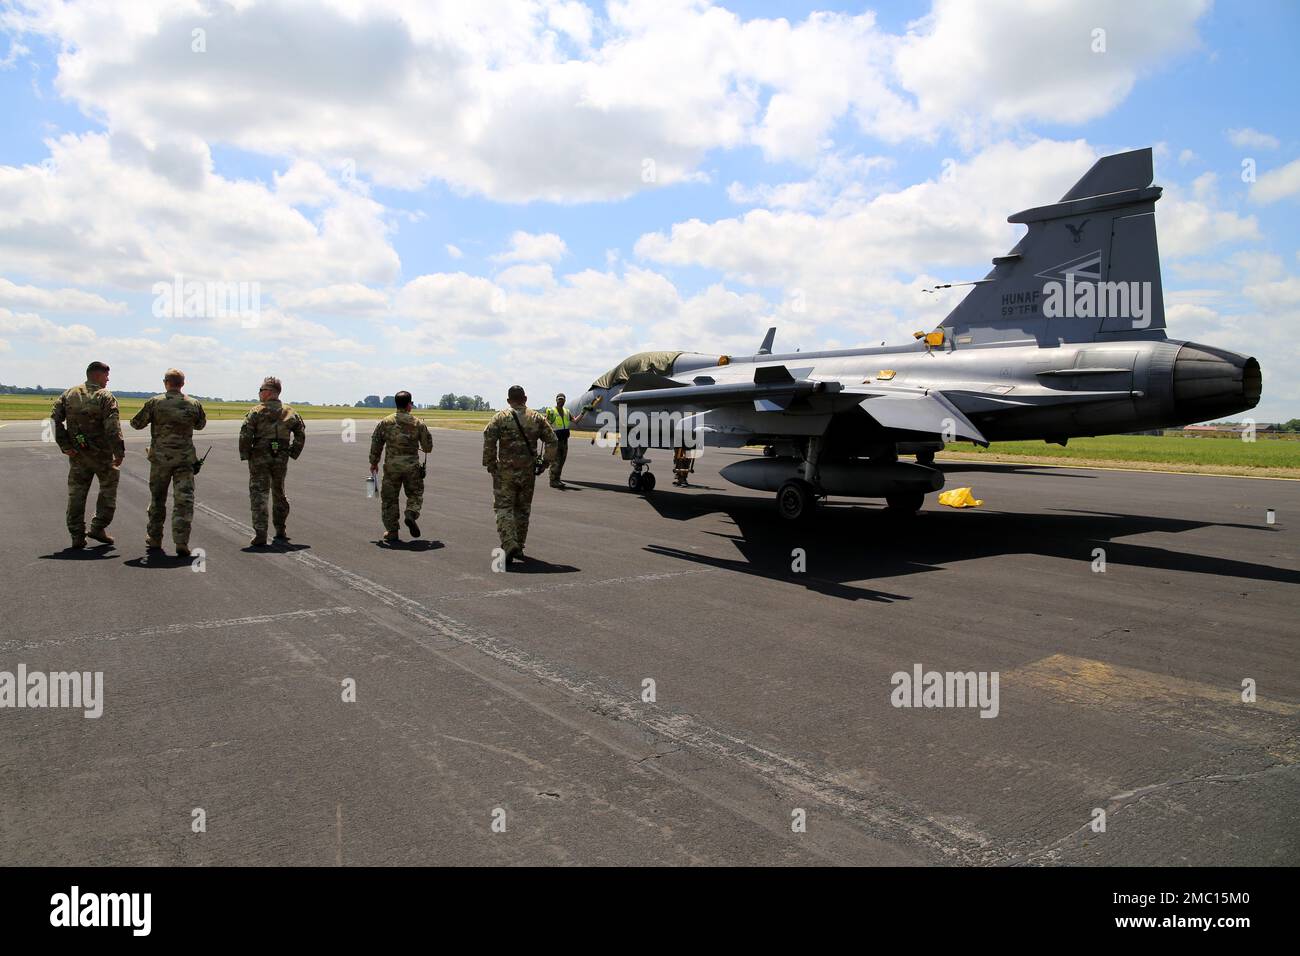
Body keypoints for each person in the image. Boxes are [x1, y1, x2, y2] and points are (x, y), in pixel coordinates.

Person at [130, 368, 206, 556]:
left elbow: (136, 423)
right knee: (184, 501)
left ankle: (155, 538)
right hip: (184, 460)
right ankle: (181, 541)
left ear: (166, 382)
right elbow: (200, 425)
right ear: (182, 384)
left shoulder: (155, 402)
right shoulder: (193, 403)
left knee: (157, 500)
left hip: (160, 460)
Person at [51, 361, 125, 548]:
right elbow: (112, 427)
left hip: (78, 454)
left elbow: (55, 420)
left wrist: (65, 445)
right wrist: (119, 451)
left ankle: (77, 535)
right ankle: (98, 526)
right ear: (98, 375)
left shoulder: (69, 394)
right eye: (106, 375)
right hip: (102, 455)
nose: (108, 379)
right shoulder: (105, 396)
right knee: (108, 491)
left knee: (77, 495)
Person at [482, 385, 556, 565]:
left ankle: (509, 543)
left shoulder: (500, 417)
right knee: (523, 510)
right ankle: (519, 546)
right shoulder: (536, 418)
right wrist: (545, 462)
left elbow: (489, 438)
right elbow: (552, 440)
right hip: (527, 472)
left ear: (509, 401)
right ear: (525, 398)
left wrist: (491, 464)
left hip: (505, 472)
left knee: (503, 508)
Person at [239, 376, 307, 547]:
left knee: (259, 493)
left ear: (269, 392)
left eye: (261, 390)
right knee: (278, 491)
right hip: (280, 456)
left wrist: (246, 454)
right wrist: (293, 452)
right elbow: (300, 433)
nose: (260, 393)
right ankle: (280, 529)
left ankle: (260, 533)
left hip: (260, 457)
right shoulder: (290, 412)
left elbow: (245, 434)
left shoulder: (256, 411)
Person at [368, 391, 432, 543]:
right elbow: (428, 447)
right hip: (412, 468)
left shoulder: (385, 422)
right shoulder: (418, 423)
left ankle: (392, 532)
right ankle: (411, 513)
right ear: (409, 405)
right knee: (415, 494)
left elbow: (376, 443)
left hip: (391, 468)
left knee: (389, 499)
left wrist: (374, 462)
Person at [542, 393, 576, 488]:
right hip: (555, 440)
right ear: (556, 400)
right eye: (559, 399)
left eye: (562, 399)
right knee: (555, 461)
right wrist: (549, 420)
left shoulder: (567, 411)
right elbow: (545, 423)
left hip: (564, 440)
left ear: (565, 401)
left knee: (561, 461)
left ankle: (558, 479)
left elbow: (575, 420)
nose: (561, 401)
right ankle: (553, 481)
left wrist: (584, 412)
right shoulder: (551, 411)